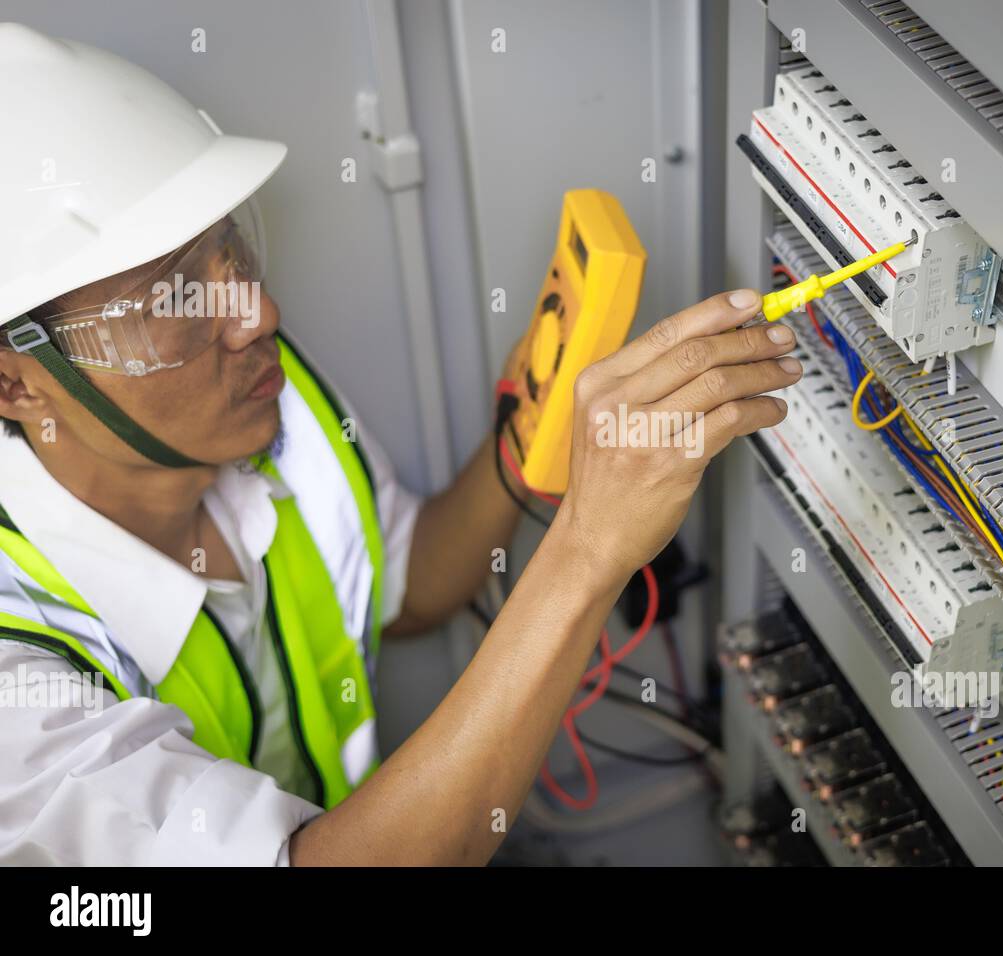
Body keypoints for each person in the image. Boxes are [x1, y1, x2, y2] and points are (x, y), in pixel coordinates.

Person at [0, 22, 800, 864]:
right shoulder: (21, 691)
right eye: (168, 300)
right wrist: (592, 547)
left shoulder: (262, 398)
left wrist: (530, 424)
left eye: (229, 251)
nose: (258, 317)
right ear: (16, 383)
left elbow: (408, 584)